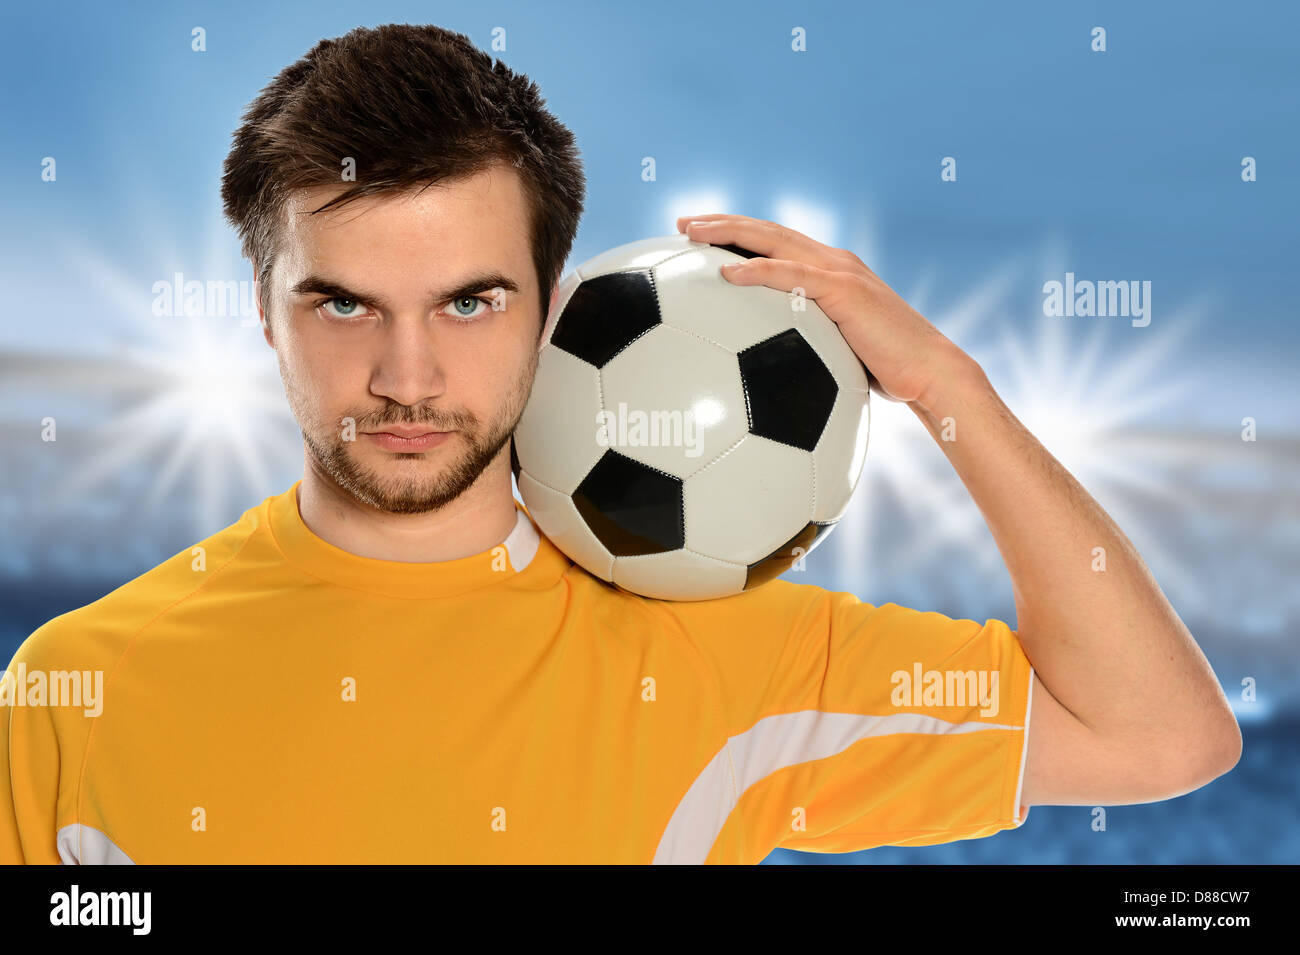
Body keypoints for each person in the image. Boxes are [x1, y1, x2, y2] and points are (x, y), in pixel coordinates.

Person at [0, 23, 1240, 864]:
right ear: (262, 316)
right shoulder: (73, 690)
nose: (406, 376)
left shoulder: (730, 657)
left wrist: (941, 382)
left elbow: (1164, 738)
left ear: (554, 311)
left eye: (470, 301)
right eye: (342, 303)